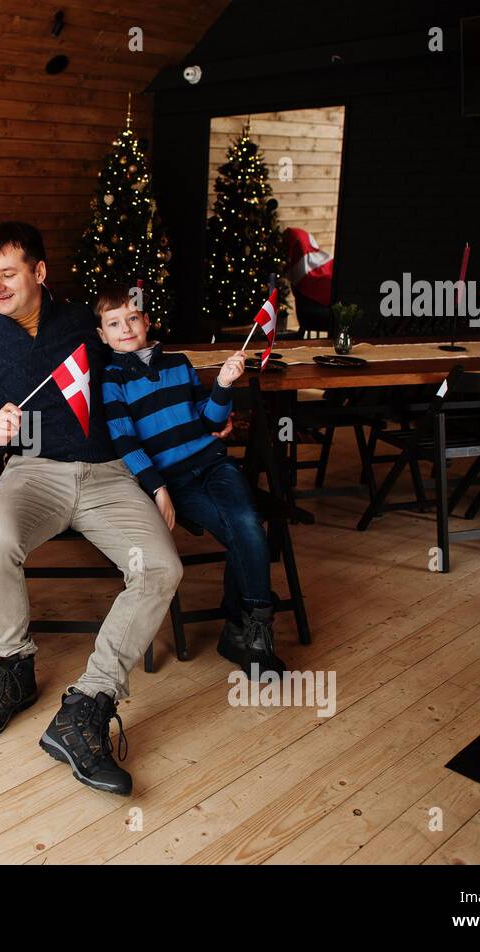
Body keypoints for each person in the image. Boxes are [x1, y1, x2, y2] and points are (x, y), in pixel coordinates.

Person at [0, 221, 183, 797]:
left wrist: (205, 412)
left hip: (108, 473)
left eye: (9, 273)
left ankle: (89, 702)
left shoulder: (86, 321)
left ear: (40, 271)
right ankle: (13, 668)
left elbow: (143, 361)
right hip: (31, 473)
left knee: (162, 567)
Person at [95, 285, 285, 678]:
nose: (126, 327)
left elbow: (211, 421)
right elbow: (125, 440)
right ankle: (245, 631)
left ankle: (250, 626)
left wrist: (224, 386)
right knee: (245, 531)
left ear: (146, 321)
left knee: (247, 524)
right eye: (114, 323)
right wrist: (158, 489)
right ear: (103, 335)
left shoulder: (179, 363)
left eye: (132, 317)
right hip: (173, 481)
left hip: (213, 464)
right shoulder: (111, 380)